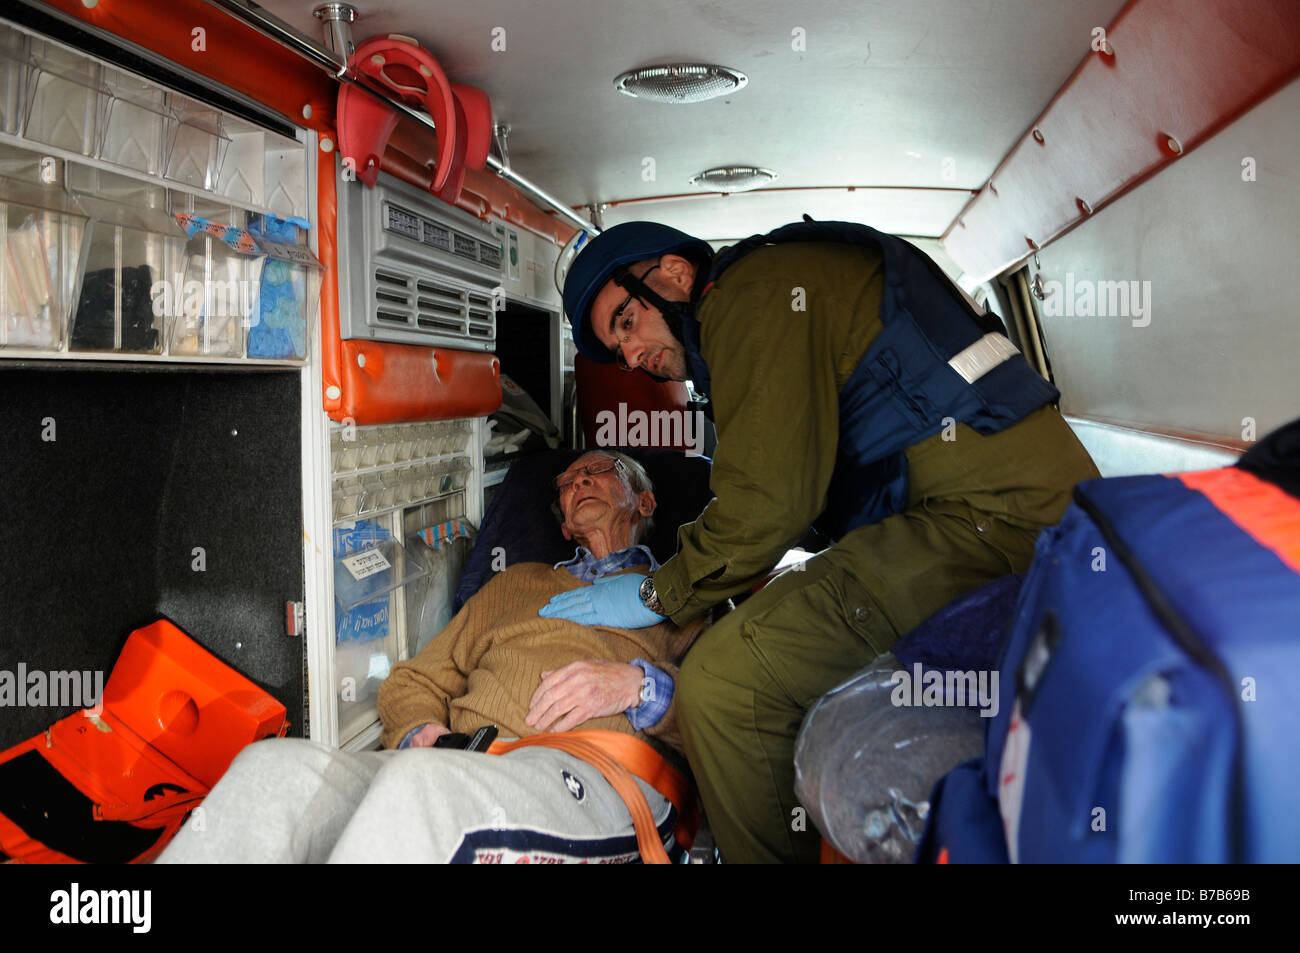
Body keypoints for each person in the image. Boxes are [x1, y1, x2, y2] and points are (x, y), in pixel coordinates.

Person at [542, 219, 1100, 863]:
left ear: (672, 272)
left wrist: (655, 592)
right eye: (618, 353)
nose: (632, 356)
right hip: (1028, 520)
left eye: (624, 324)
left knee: (723, 682)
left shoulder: (748, 296)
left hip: (999, 524)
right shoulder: (769, 294)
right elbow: (802, 491)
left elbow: (767, 504)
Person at [158, 451, 705, 864]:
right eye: (568, 482)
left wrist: (637, 687)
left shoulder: (688, 595)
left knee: (414, 790)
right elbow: (413, 682)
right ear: (563, 525)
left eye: (599, 471)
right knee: (271, 772)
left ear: (646, 501)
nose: (579, 481)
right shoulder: (517, 583)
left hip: (597, 771)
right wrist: (420, 729)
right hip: (463, 759)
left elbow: (731, 717)